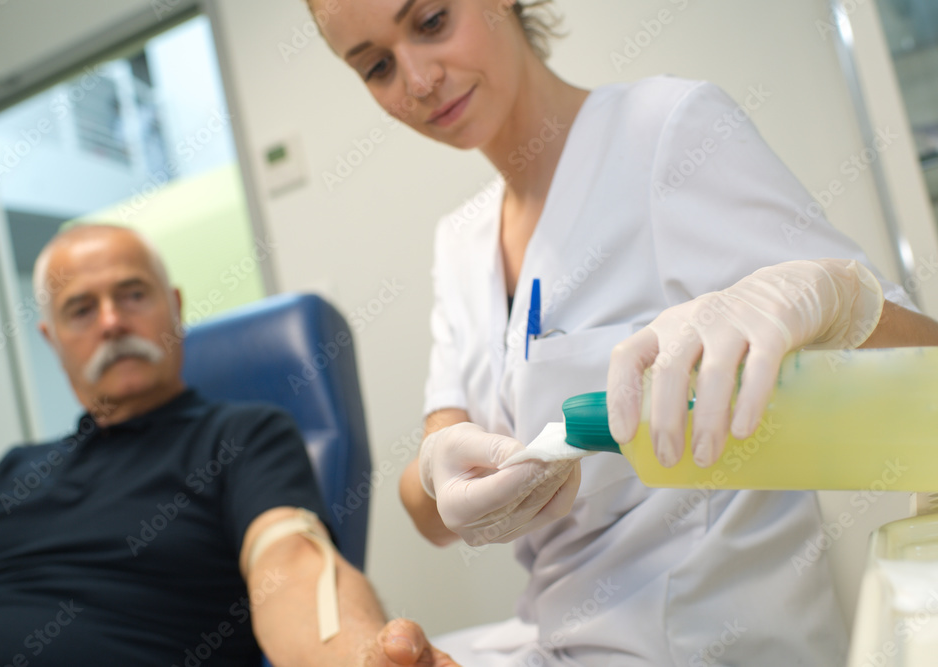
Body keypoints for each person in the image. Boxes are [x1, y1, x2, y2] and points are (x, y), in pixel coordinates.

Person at [309, 0, 938, 664]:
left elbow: (925, 381)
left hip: (711, 638)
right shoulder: (460, 241)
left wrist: (841, 305)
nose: (417, 80)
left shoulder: (666, 132)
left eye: (432, 22)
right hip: (551, 634)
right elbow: (427, 493)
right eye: (376, 66)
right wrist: (441, 476)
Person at [0, 225, 458, 667]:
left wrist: (360, 655)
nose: (112, 322)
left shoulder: (242, 436)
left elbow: (292, 563)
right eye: (81, 309)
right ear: (52, 340)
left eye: (133, 294)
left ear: (175, 306)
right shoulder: (9, 472)